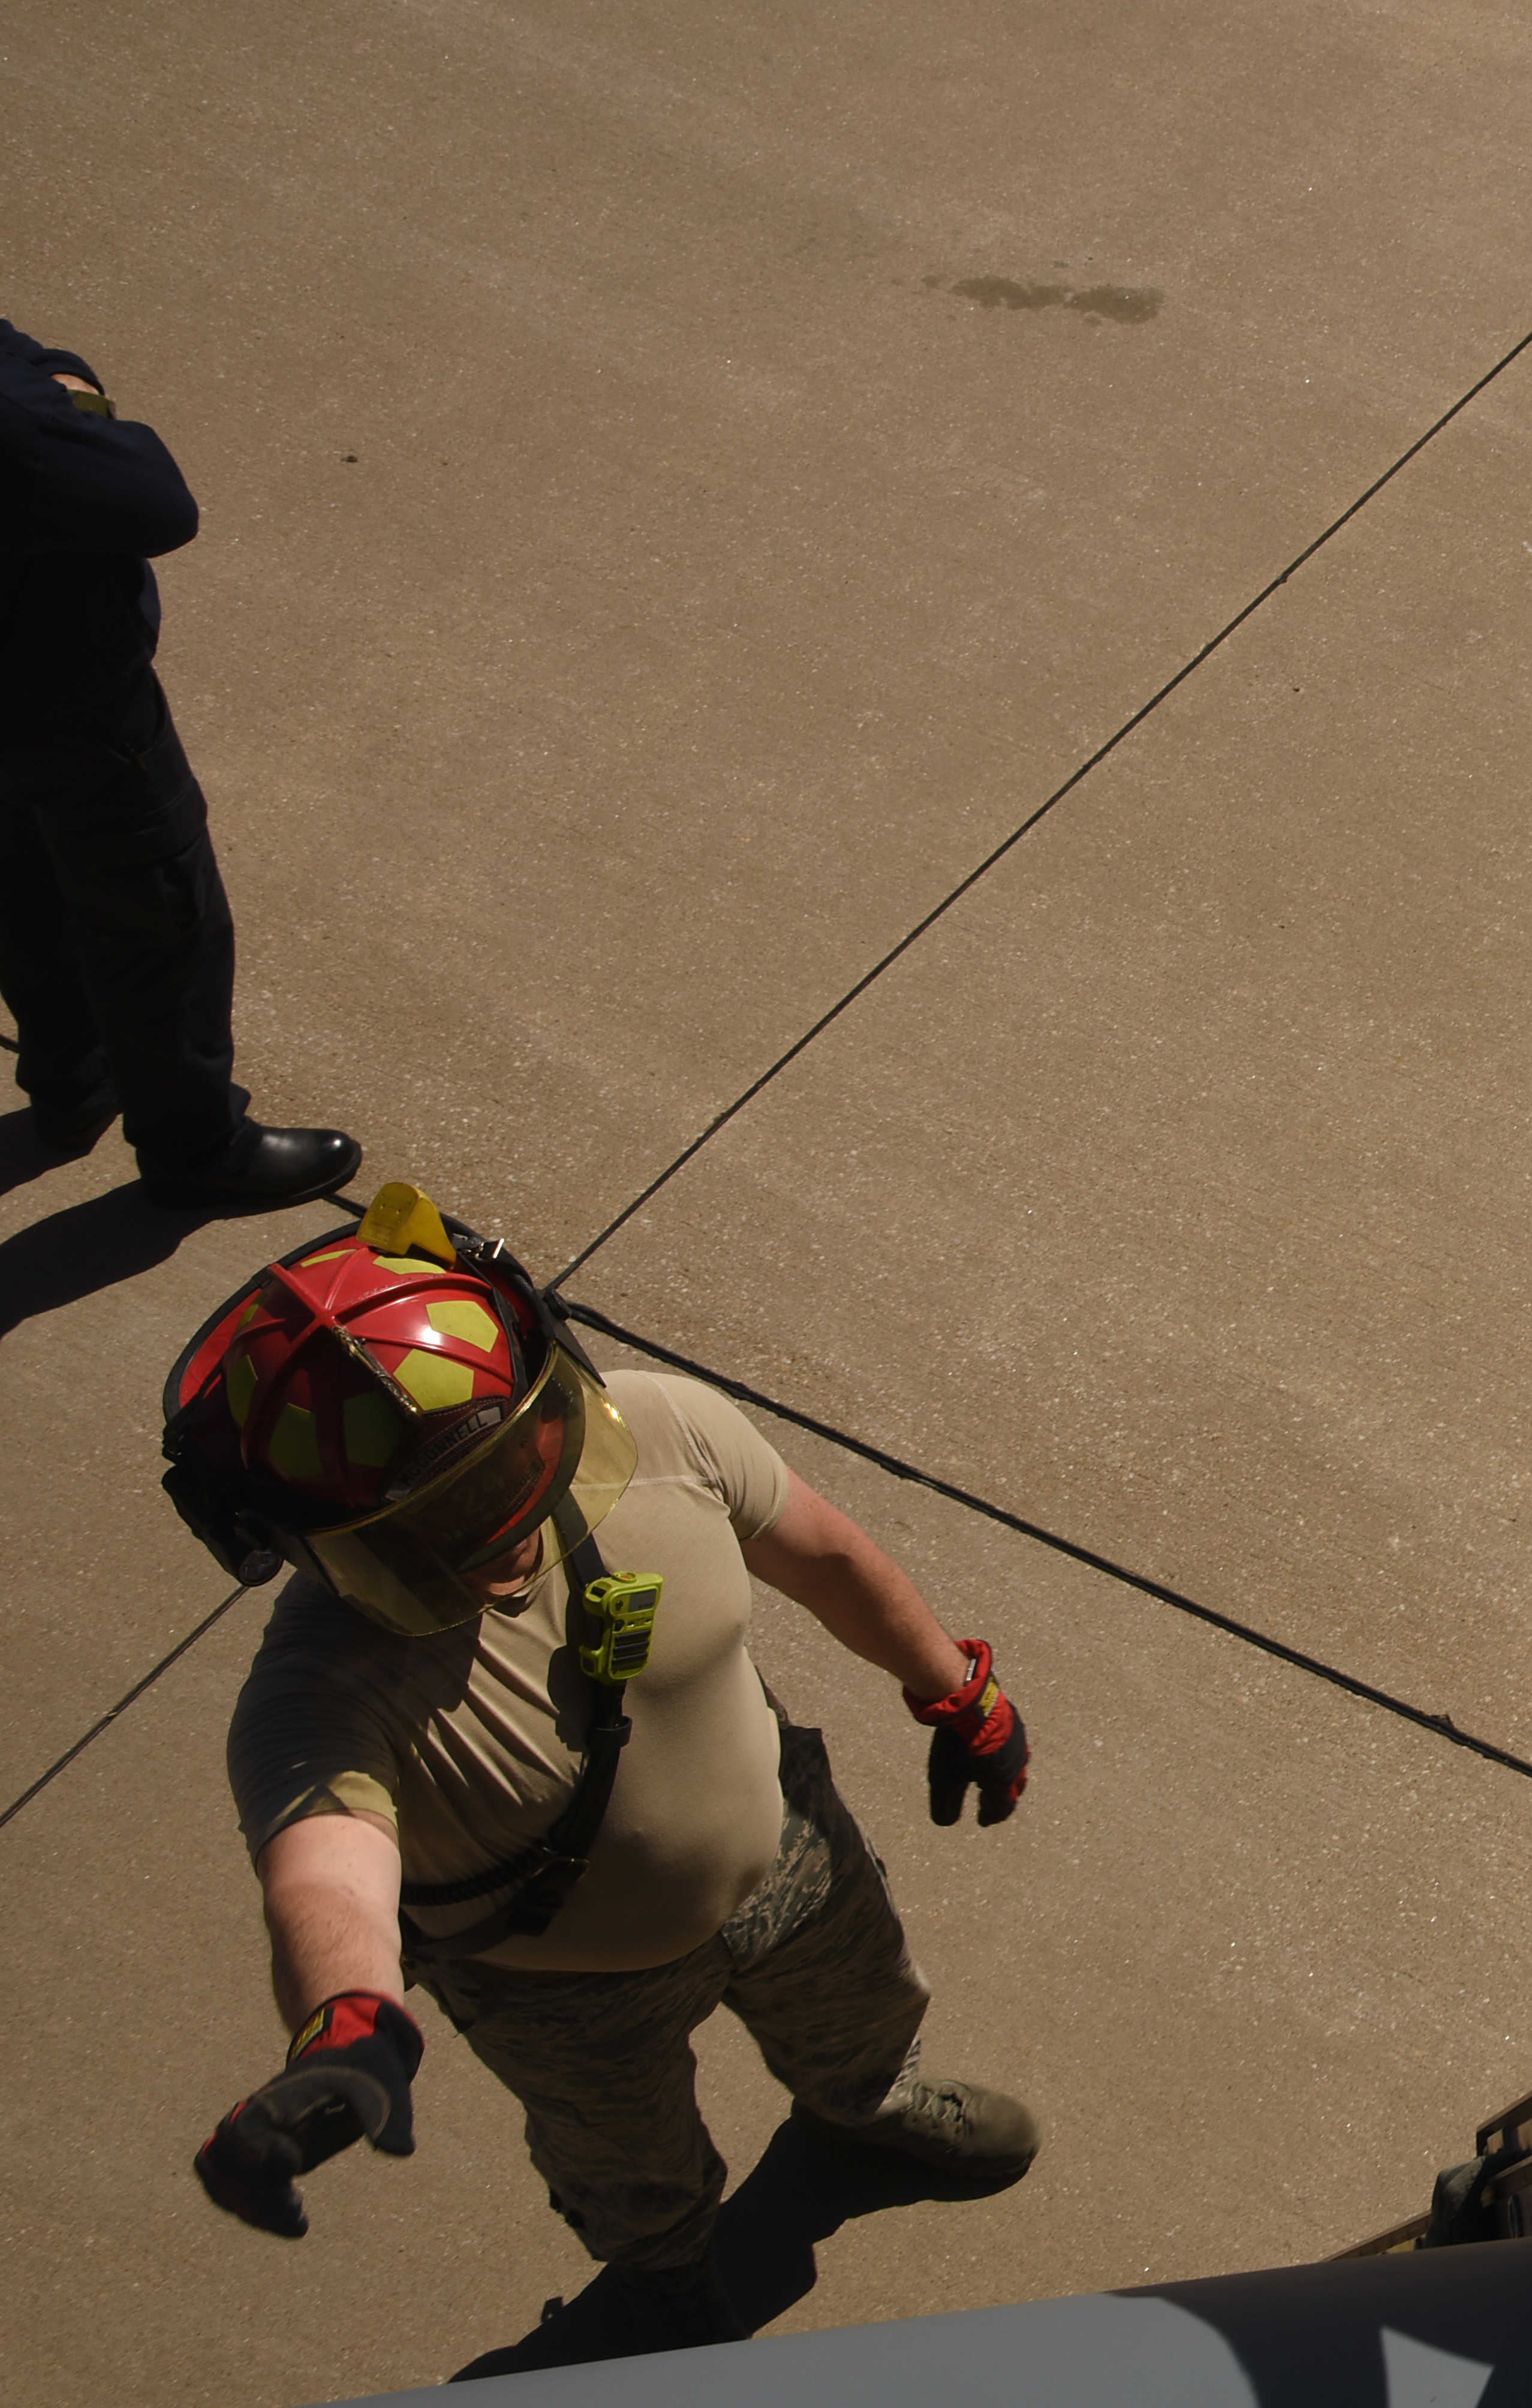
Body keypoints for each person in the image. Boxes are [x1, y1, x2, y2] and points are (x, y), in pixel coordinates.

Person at [171, 1181, 1040, 2347]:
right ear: (299, 1549)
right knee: (628, 2164)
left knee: (864, 2001)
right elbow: (326, 1876)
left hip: (785, 1845)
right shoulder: (310, 1698)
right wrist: (349, 2023)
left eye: (510, 1463)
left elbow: (826, 1553)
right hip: (558, 1994)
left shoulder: (668, 1430)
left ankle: (867, 2095)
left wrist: (954, 1686)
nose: (500, 1530)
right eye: (430, 1528)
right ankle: (666, 2270)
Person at [1, 315, 358, 1209]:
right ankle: (196, 1148)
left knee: (20, 880)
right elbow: (155, 501)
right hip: (65, 700)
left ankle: (74, 1080)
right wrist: (71, 391)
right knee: (157, 918)